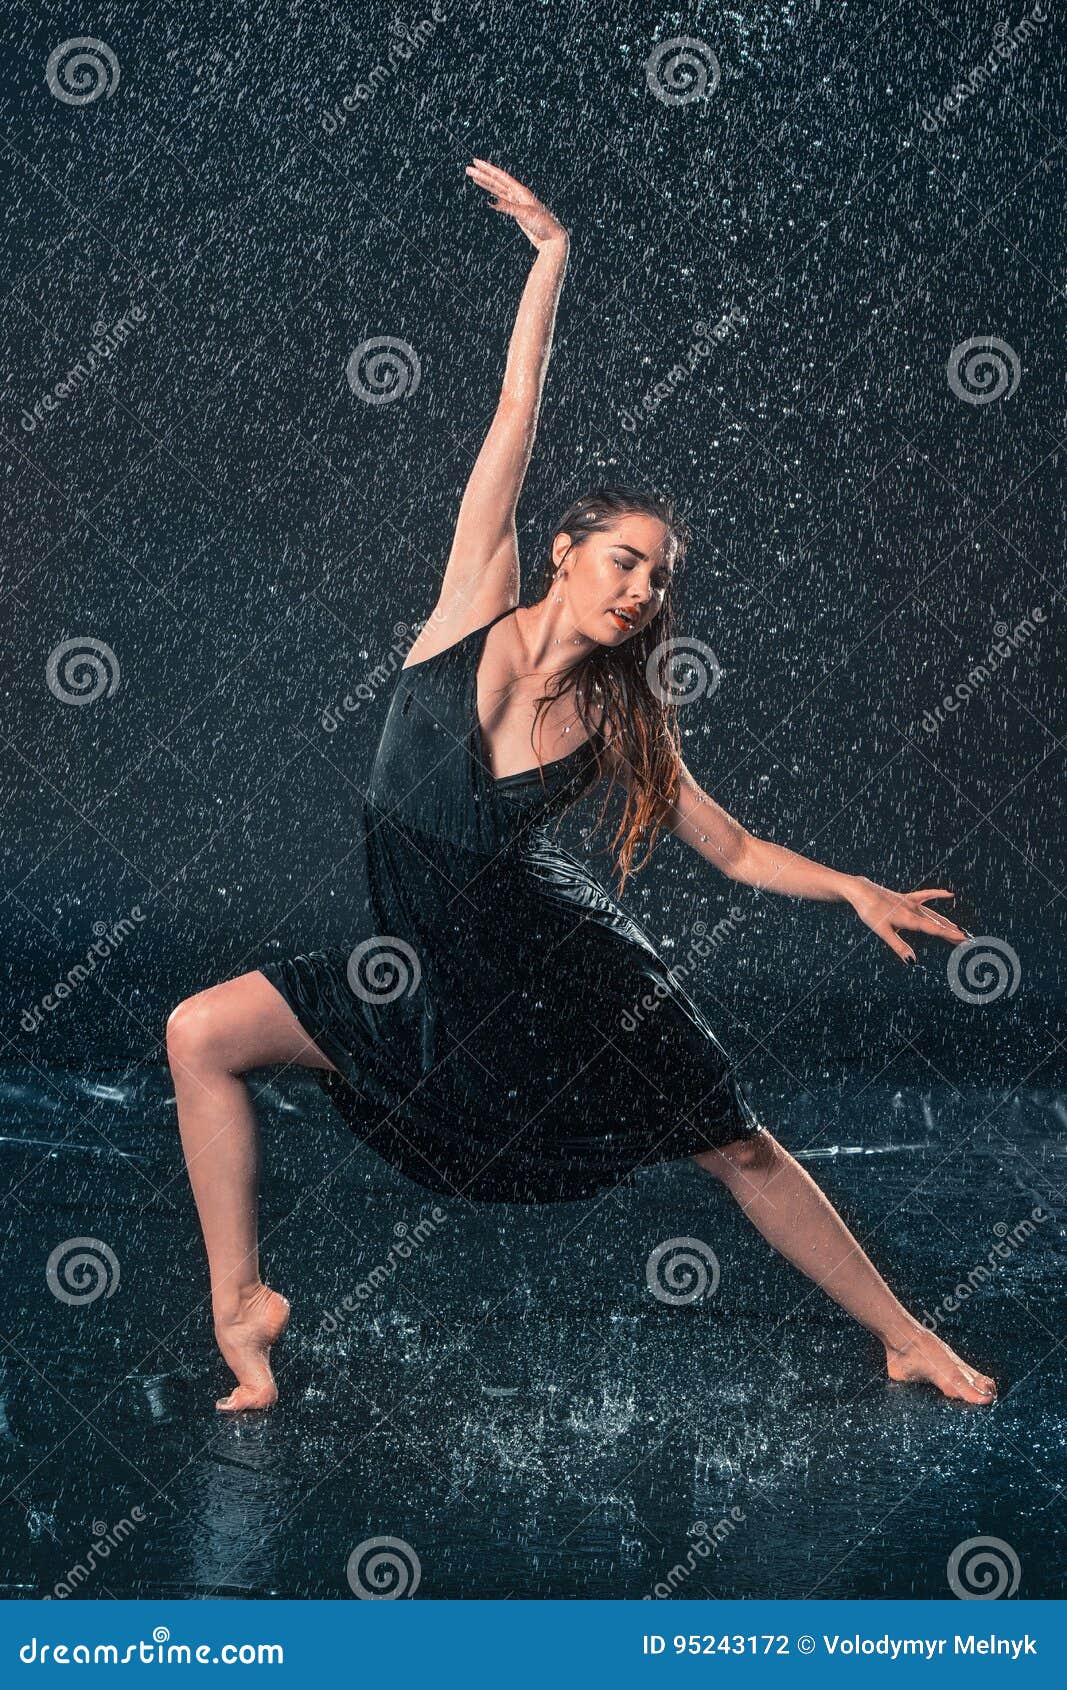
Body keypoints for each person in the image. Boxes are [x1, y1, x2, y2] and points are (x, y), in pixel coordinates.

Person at [167, 160, 997, 1413]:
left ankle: (905, 1336)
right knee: (199, 1034)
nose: (637, 590)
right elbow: (513, 410)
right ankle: (243, 1307)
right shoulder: (467, 607)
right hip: (423, 977)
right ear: (563, 550)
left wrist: (850, 888)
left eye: (657, 580)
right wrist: (549, 256)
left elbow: (724, 844)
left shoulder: (620, 718)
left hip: (565, 977)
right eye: (621, 560)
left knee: (732, 1142)